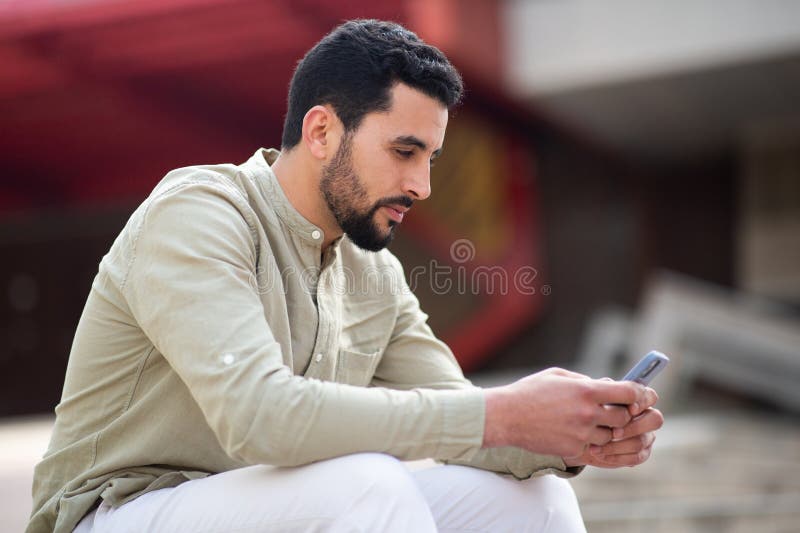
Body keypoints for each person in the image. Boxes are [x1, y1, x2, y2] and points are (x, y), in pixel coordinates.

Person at [28, 19, 663, 533]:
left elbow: (465, 425)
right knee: (367, 486)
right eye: (404, 151)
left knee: (533, 504)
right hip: (118, 512)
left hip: (281, 509)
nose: (422, 185)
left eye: (431, 158)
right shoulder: (199, 213)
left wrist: (572, 434)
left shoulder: (374, 274)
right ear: (322, 131)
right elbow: (260, 417)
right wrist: (500, 413)